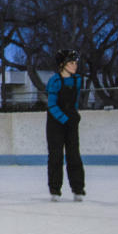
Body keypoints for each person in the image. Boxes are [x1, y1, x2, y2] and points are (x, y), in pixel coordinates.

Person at [46, 49, 86, 201]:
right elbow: (51, 105)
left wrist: (74, 115)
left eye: (76, 63)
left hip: (70, 119)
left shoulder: (77, 80)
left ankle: (78, 188)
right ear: (62, 65)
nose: (75, 66)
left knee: (74, 155)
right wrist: (65, 119)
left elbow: (74, 100)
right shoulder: (55, 81)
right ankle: (55, 189)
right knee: (56, 156)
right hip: (55, 122)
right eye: (71, 63)